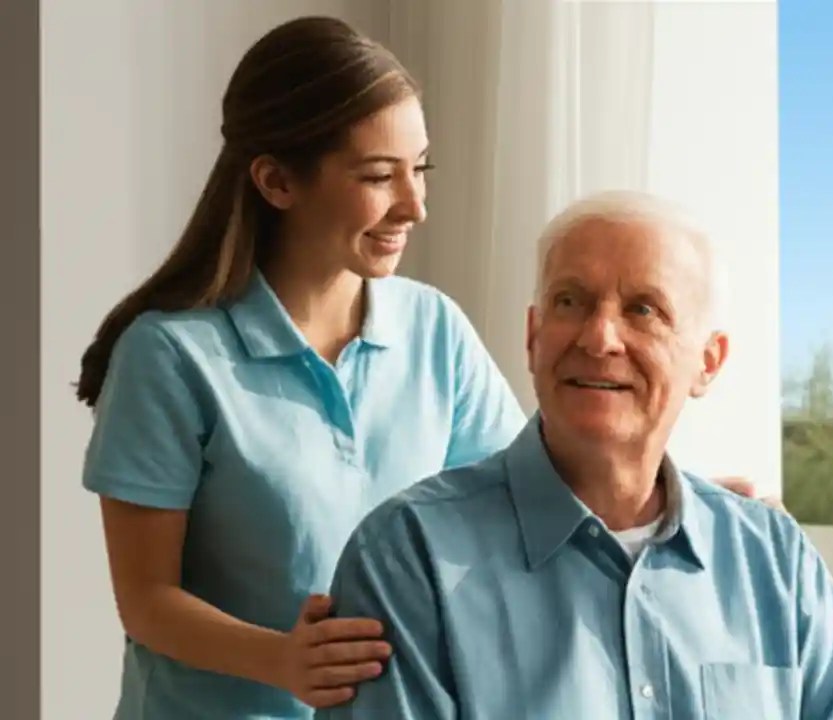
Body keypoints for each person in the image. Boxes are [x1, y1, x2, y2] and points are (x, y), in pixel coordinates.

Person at [76, 16, 765, 720]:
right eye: (380, 176)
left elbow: (531, 491)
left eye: (420, 169)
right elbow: (147, 602)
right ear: (277, 181)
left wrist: (662, 500)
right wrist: (282, 659)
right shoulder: (170, 357)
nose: (415, 205)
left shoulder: (433, 329)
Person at [317, 190, 833, 719]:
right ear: (533, 336)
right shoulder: (407, 557)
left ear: (709, 362)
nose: (599, 338)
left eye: (644, 309)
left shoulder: (774, 561)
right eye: (570, 301)